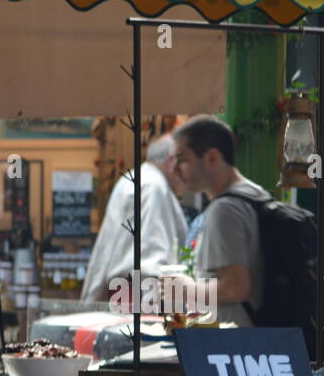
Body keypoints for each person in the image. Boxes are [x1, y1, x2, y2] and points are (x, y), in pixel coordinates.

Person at [169, 115, 268, 328]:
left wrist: (187, 290)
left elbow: (236, 288)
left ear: (212, 158)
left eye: (182, 159)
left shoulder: (225, 209)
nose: (174, 169)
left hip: (235, 346)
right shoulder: (255, 194)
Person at [80, 134, 187, 304]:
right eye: (182, 161)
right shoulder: (154, 186)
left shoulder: (135, 178)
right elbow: (153, 255)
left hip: (125, 289)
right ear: (170, 160)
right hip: (141, 292)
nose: (184, 171)